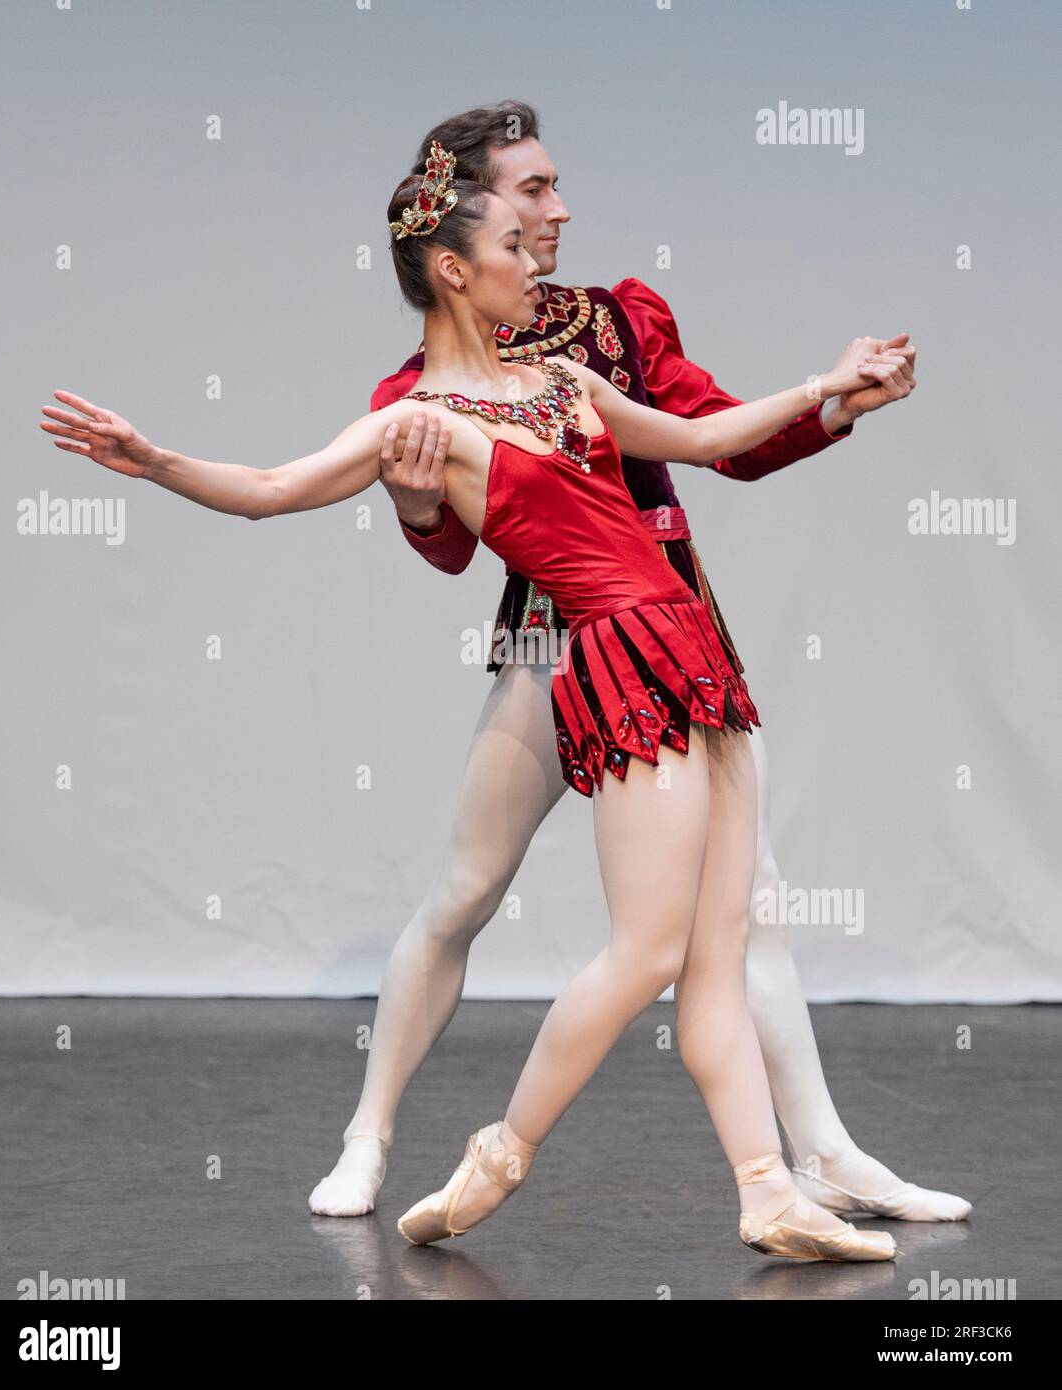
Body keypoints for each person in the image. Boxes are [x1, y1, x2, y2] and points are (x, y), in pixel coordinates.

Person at [40, 143, 917, 1259]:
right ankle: (497, 1149)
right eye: (510, 241)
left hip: (695, 647)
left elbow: (699, 439)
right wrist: (154, 458)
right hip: (610, 654)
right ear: (453, 270)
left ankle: (768, 1189)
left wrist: (826, 385)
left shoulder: (565, 381)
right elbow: (268, 493)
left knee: (719, 947)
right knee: (645, 950)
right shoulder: (424, 419)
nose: (532, 259)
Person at [316, 102, 970, 1227]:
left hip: (667, 630)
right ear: (463, 221)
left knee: (743, 911)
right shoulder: (414, 390)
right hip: (549, 632)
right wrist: (419, 501)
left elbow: (718, 433)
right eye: (528, 192)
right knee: (468, 890)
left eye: (555, 187)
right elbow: (445, 547)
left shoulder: (609, 328)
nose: (555, 209)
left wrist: (831, 401)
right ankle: (369, 1132)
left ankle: (819, 1155)